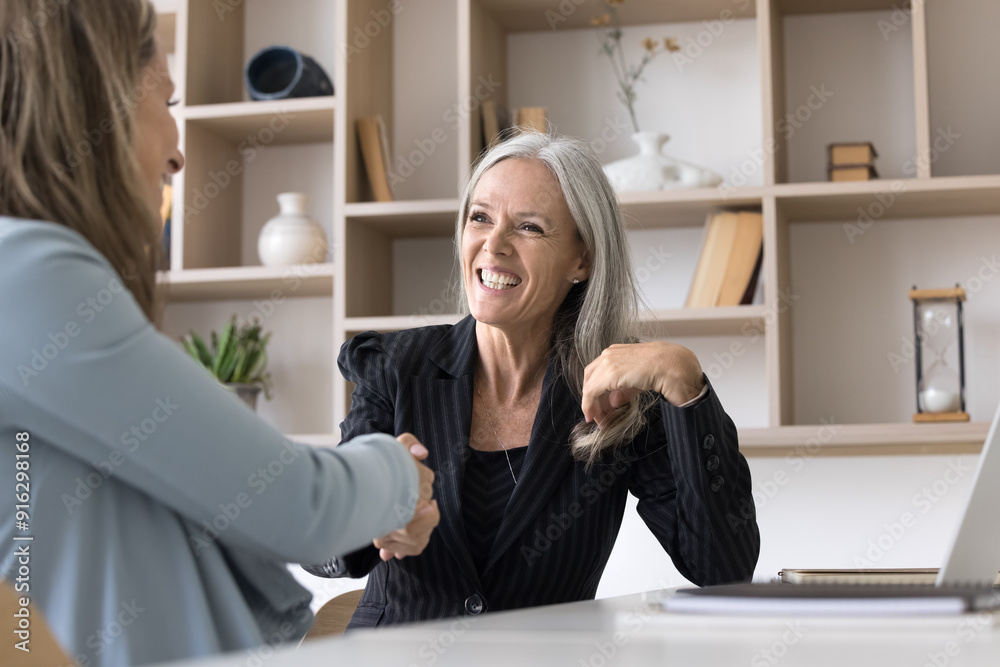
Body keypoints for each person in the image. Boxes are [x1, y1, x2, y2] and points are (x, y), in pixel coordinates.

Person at [0, 1, 438, 665]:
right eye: (167, 101)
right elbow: (298, 503)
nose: (178, 152)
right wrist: (399, 475)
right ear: (98, 104)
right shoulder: (27, 272)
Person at [304, 131, 760, 628]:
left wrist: (686, 383)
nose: (493, 245)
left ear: (582, 259)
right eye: (480, 218)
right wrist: (374, 508)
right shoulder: (396, 366)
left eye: (529, 227)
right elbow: (319, 545)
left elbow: (721, 568)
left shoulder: (622, 398)